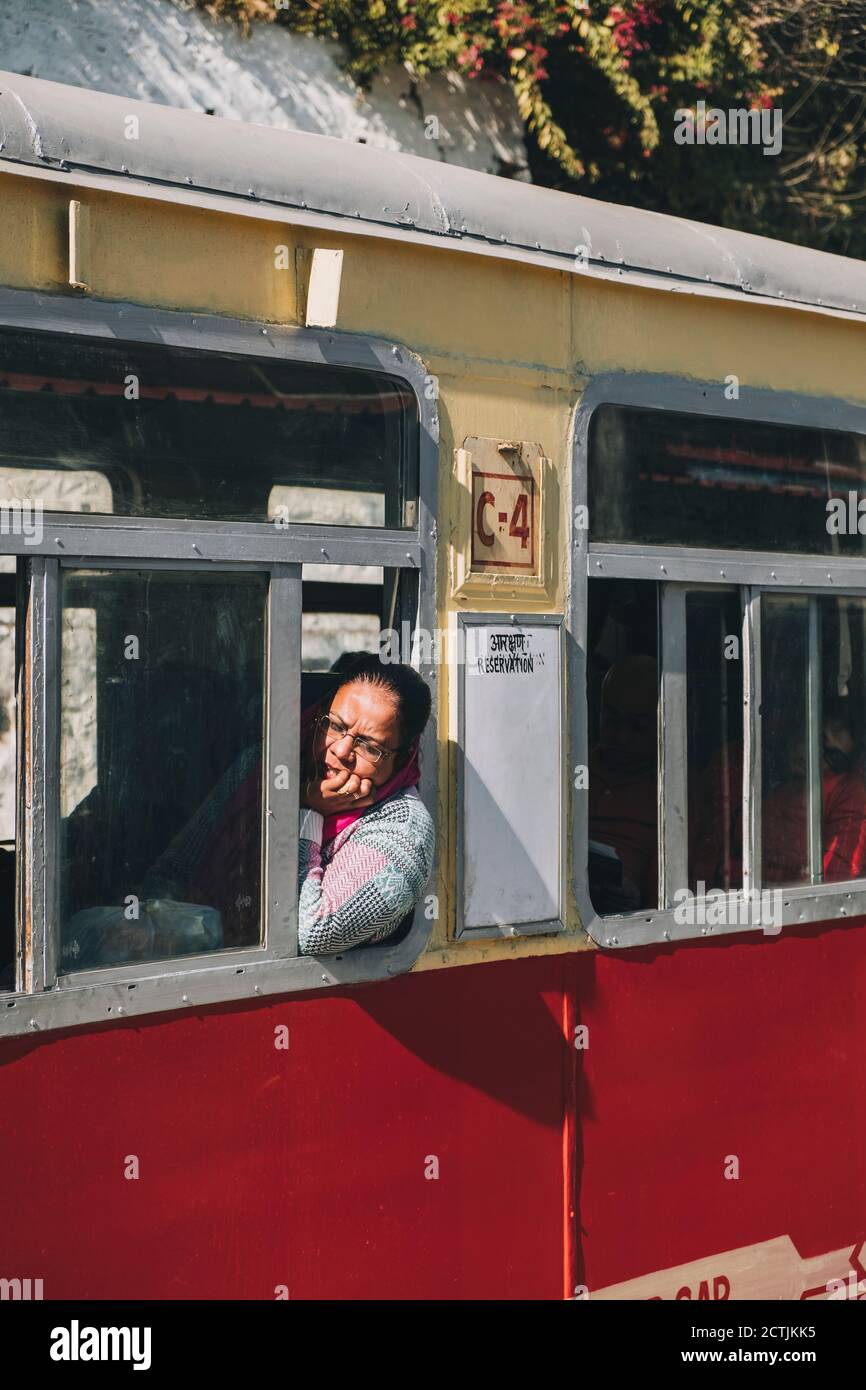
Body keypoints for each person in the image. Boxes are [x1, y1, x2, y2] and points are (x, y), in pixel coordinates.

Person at [297, 654, 434, 952]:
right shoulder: (266, 770)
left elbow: (316, 932)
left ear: (401, 759)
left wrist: (310, 811)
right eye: (334, 725)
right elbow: (176, 869)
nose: (341, 750)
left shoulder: (402, 835)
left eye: (369, 746)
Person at [587, 654, 658, 913]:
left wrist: (637, 898)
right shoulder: (569, 768)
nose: (622, 737)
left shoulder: (673, 790)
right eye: (612, 721)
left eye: (639, 726)